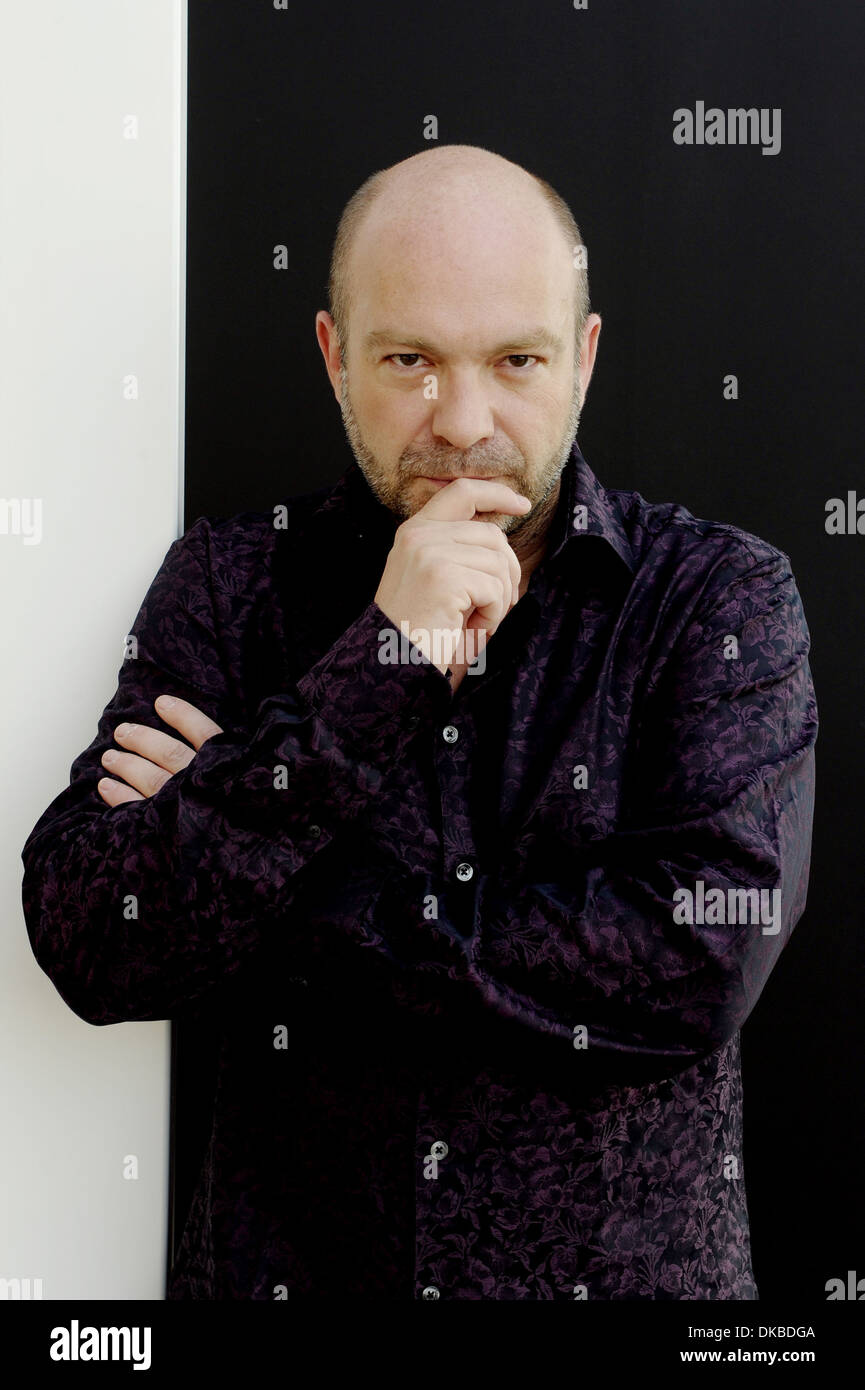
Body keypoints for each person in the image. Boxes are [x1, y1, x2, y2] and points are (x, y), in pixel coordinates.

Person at [21, 144, 817, 1300]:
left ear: (583, 359)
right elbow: (96, 934)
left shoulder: (716, 596)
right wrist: (381, 661)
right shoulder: (231, 583)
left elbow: (697, 957)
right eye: (409, 360)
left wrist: (280, 877)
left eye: (516, 359)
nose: (463, 418)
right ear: (335, 355)